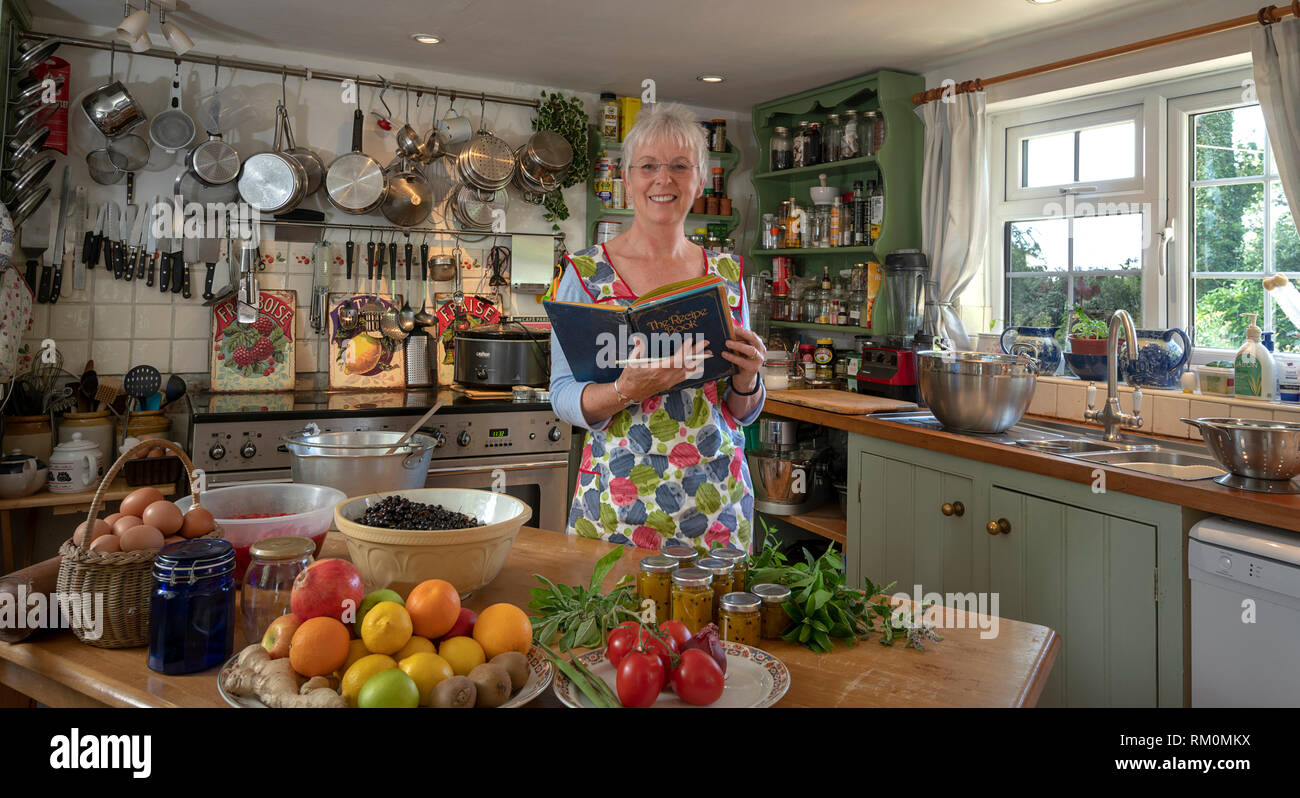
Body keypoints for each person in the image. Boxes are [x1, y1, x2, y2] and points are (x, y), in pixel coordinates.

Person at [549, 102, 766, 554]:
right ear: (627, 180)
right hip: (619, 497)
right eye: (648, 166)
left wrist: (748, 380)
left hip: (715, 500)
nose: (663, 179)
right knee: (619, 624)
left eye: (680, 166)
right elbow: (563, 394)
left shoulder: (725, 274)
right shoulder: (585, 274)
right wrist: (625, 389)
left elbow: (739, 411)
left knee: (712, 626)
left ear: (700, 179)